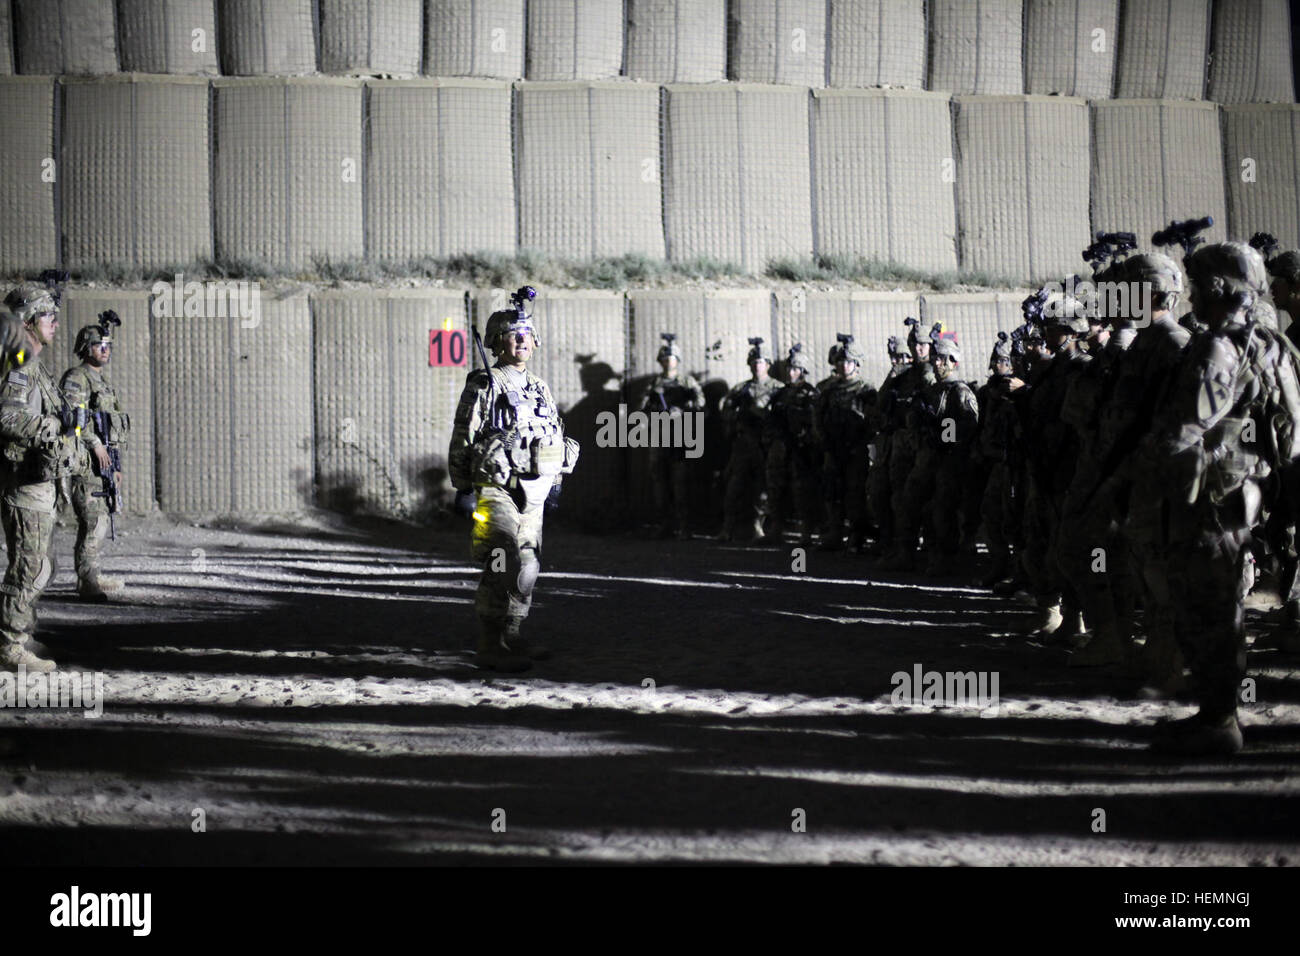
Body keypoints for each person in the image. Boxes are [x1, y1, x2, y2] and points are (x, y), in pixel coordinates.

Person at [1137, 242, 1300, 754]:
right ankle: (1217, 716)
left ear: (1219, 289)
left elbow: (1184, 430)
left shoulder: (1218, 351)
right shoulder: (1271, 346)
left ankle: (1219, 723)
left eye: (1201, 283)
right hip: (1241, 498)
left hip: (1206, 502)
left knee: (1205, 609)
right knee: (1219, 608)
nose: (1194, 294)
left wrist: (1141, 475)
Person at [448, 289, 579, 672]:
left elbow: (554, 432)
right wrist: (462, 487)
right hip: (496, 486)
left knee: (528, 567)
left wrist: (555, 482)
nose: (521, 340)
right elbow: (464, 435)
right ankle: (490, 643)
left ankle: (514, 634)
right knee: (502, 557)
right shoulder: (484, 383)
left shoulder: (539, 386)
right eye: (512, 334)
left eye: (527, 334)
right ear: (497, 342)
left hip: (535, 487)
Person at [0, 284, 87, 673]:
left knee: (41, 564)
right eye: (47, 316)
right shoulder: (19, 363)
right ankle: (9, 646)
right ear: (29, 322)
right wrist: (52, 427)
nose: (54, 323)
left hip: (42, 481)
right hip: (24, 483)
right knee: (28, 566)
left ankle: (21, 631)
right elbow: (7, 416)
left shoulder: (32, 362)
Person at [886, 334, 979, 575]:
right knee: (908, 504)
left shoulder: (960, 392)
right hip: (926, 459)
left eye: (942, 359)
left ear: (953, 361)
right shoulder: (929, 392)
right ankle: (906, 554)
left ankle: (944, 559)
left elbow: (969, 428)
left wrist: (945, 441)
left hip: (948, 461)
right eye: (935, 358)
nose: (937, 363)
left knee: (943, 510)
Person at [61, 312, 129, 602]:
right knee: (92, 522)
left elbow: (111, 426)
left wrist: (115, 465)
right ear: (84, 348)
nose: (105, 350)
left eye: (108, 345)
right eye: (98, 345)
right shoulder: (77, 378)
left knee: (101, 521)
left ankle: (93, 572)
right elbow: (72, 419)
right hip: (86, 462)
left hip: (103, 464)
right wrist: (95, 444)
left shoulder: (102, 382)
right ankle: (86, 580)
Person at [815, 333, 876, 551]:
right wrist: (824, 440)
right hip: (834, 448)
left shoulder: (866, 390)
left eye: (848, 361)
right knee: (832, 491)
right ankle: (835, 532)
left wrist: (861, 441)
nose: (843, 366)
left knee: (855, 492)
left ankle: (857, 535)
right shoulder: (828, 390)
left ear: (856, 364)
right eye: (840, 361)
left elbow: (873, 420)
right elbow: (818, 418)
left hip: (855, 450)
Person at [640, 333, 705, 539]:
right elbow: (641, 408)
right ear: (660, 361)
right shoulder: (654, 384)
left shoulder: (687, 382)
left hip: (680, 438)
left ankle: (685, 527)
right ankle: (664, 525)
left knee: (681, 484)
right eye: (665, 359)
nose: (669, 362)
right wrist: (651, 404)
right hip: (658, 437)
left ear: (678, 361)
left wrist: (682, 410)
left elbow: (700, 402)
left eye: (672, 358)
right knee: (660, 484)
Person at [720, 338, 782, 542]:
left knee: (763, 488)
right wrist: (739, 416)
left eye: (761, 362)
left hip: (766, 444)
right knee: (734, 486)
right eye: (754, 362)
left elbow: (783, 416)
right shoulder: (741, 389)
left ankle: (759, 527)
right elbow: (726, 412)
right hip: (743, 445)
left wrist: (763, 415)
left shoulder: (778, 389)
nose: (757, 366)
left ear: (768, 364)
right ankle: (728, 527)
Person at [763, 343, 821, 545]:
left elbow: (814, 423)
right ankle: (776, 529)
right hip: (780, 448)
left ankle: (806, 533)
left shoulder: (810, 394)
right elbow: (771, 419)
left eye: (795, 369)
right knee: (775, 489)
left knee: (802, 492)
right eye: (789, 368)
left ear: (803, 371)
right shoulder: (780, 393)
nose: (790, 372)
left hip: (800, 449)